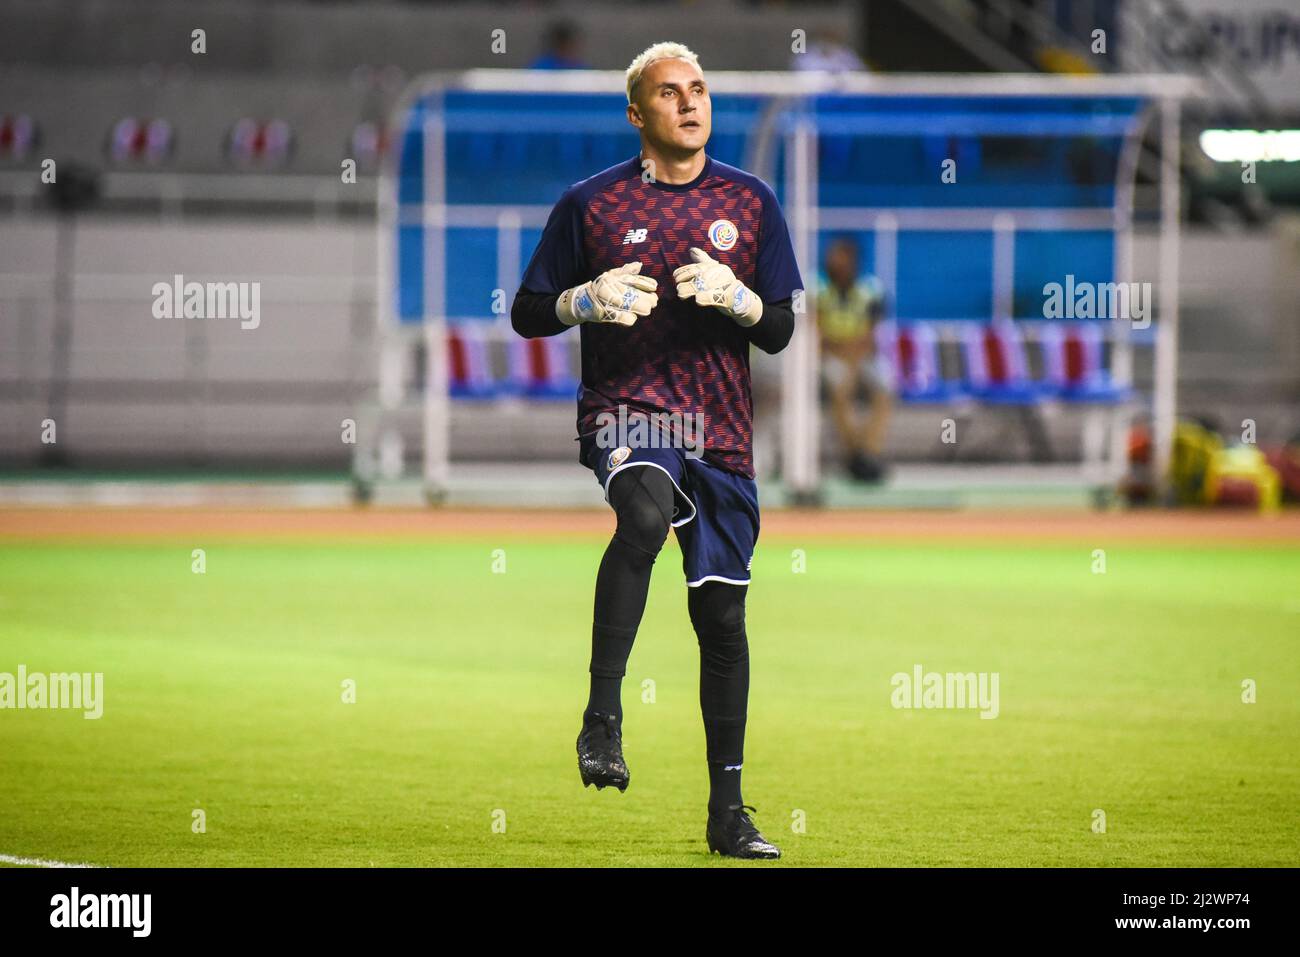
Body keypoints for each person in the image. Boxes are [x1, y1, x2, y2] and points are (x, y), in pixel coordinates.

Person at [510, 42, 800, 859]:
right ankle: (603, 715)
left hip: (722, 431)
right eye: (669, 93)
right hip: (629, 409)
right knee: (639, 514)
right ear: (637, 114)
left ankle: (728, 811)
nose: (689, 102)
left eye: (699, 88)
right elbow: (528, 311)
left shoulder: (751, 202)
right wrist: (579, 298)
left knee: (722, 616)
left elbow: (778, 329)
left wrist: (743, 302)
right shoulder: (589, 204)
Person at [816, 237, 893, 482]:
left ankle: (867, 453)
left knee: (884, 388)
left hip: (861, 358)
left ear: (852, 262)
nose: (833, 262)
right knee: (840, 387)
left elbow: (870, 338)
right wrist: (845, 357)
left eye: (839, 258)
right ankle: (854, 457)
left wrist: (853, 360)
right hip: (829, 358)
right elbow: (819, 339)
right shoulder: (818, 290)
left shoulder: (870, 291)